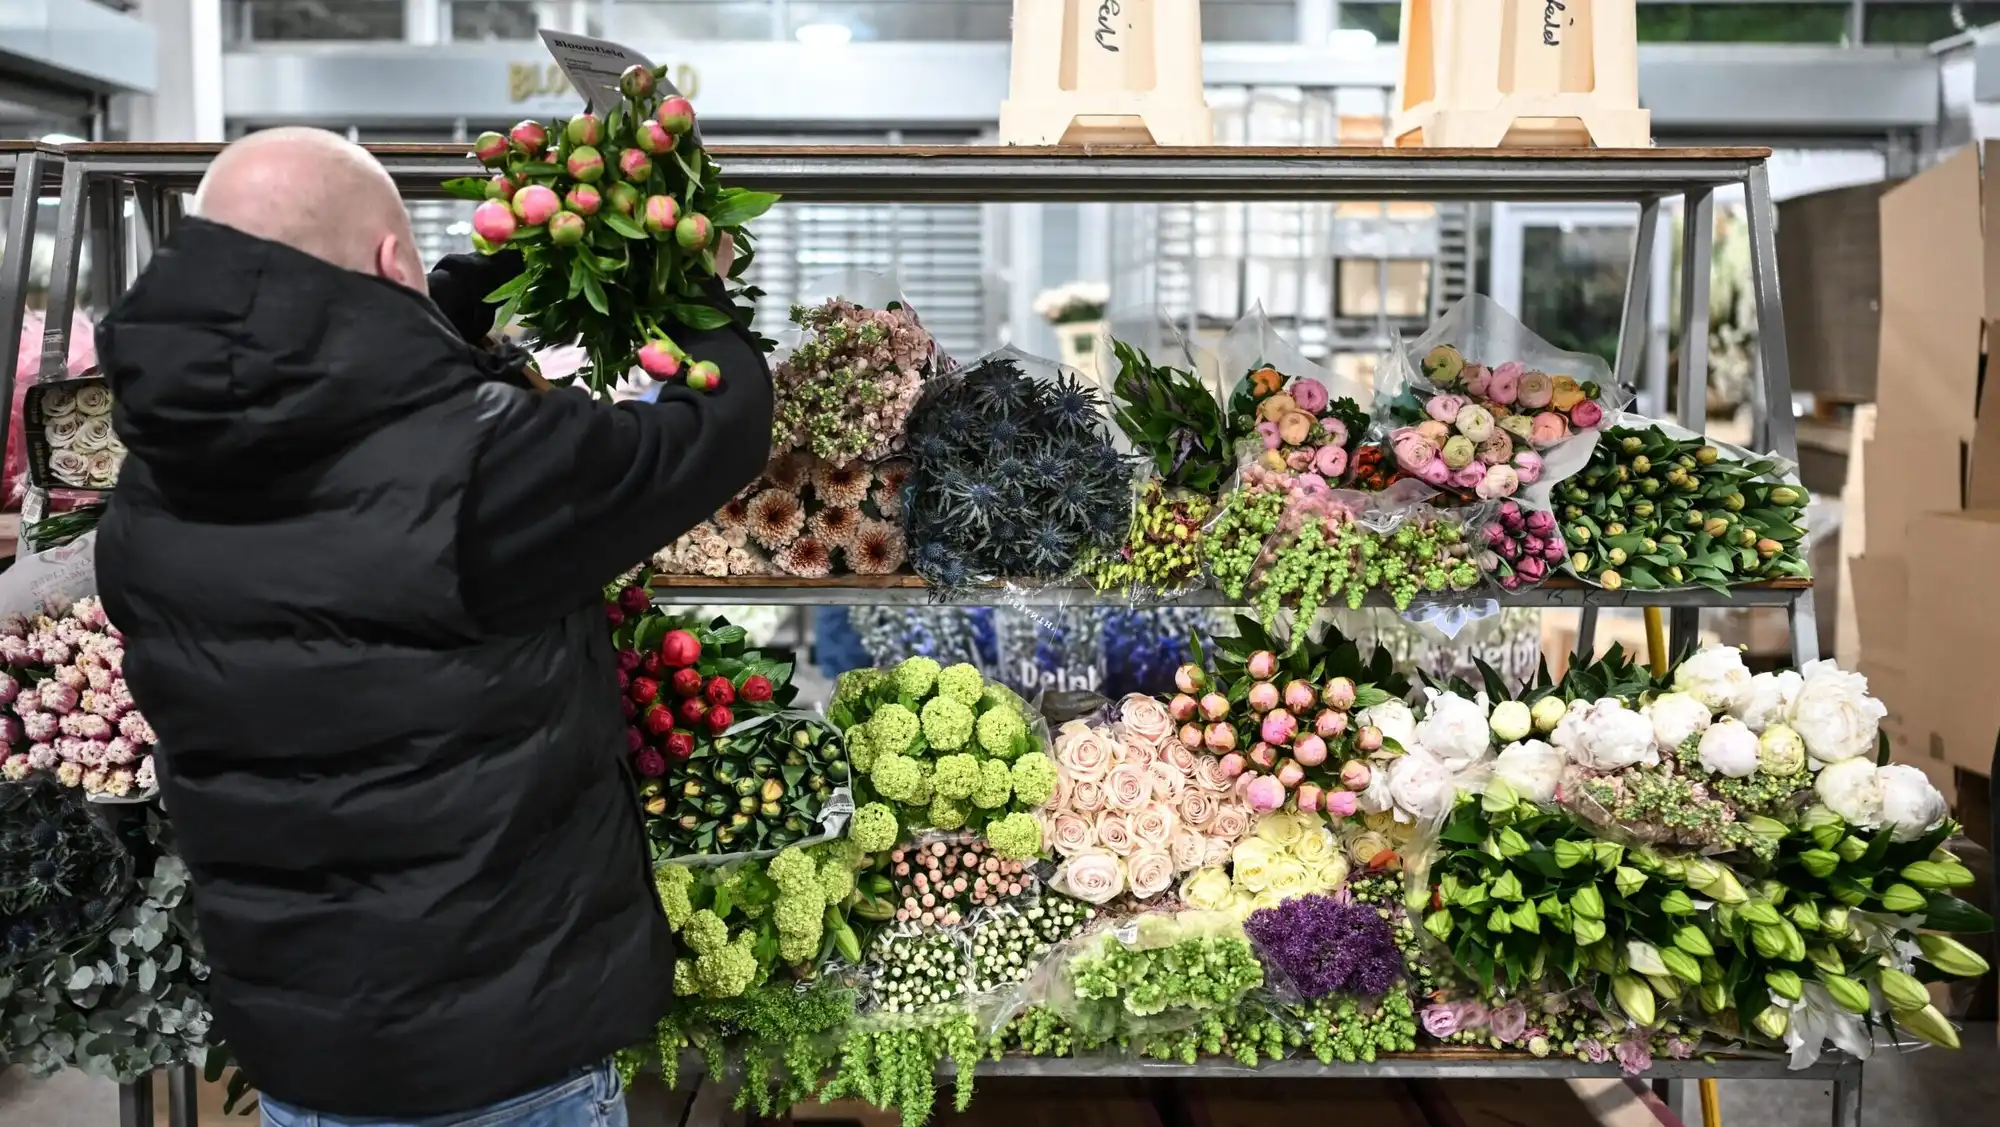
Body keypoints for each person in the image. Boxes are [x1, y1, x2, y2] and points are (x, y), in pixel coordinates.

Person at [92, 128, 773, 1125]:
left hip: (303, 1051)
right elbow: (717, 430)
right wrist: (699, 294)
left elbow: (353, 392)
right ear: (388, 262)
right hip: (505, 1055)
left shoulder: (149, 484)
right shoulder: (483, 471)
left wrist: (473, 279)